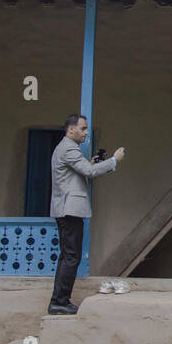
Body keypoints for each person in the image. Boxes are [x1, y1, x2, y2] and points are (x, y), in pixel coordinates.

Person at [48, 113, 123, 315]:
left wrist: (92, 162)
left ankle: (60, 300)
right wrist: (114, 161)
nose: (86, 132)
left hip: (67, 210)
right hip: (69, 210)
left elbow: (82, 170)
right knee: (71, 257)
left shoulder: (68, 149)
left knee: (68, 256)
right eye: (82, 128)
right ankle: (59, 302)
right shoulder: (68, 148)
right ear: (70, 129)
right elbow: (89, 173)